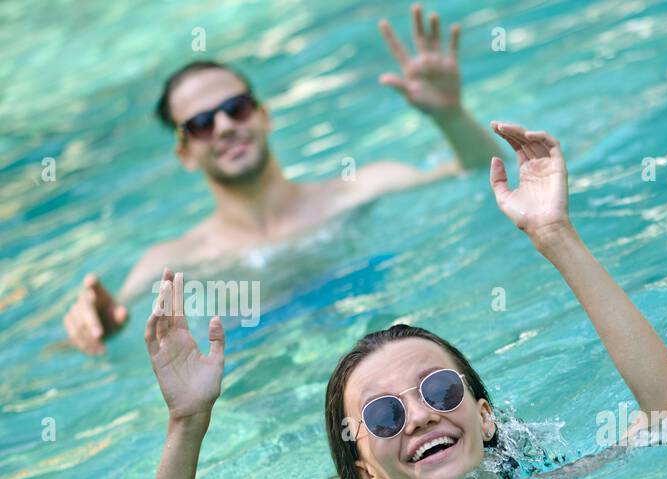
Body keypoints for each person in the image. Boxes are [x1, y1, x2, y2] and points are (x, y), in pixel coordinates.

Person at [126, 122, 667, 479]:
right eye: (384, 414)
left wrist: (557, 238)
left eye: (440, 389)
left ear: (485, 417)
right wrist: (186, 422)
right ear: (368, 475)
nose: (421, 415)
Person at [62, 5, 501, 355]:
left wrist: (450, 115)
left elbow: (482, 174)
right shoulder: (171, 264)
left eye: (236, 108)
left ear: (263, 116)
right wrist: (99, 324)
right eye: (199, 123)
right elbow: (105, 327)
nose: (224, 126)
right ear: (185, 152)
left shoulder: (360, 190)